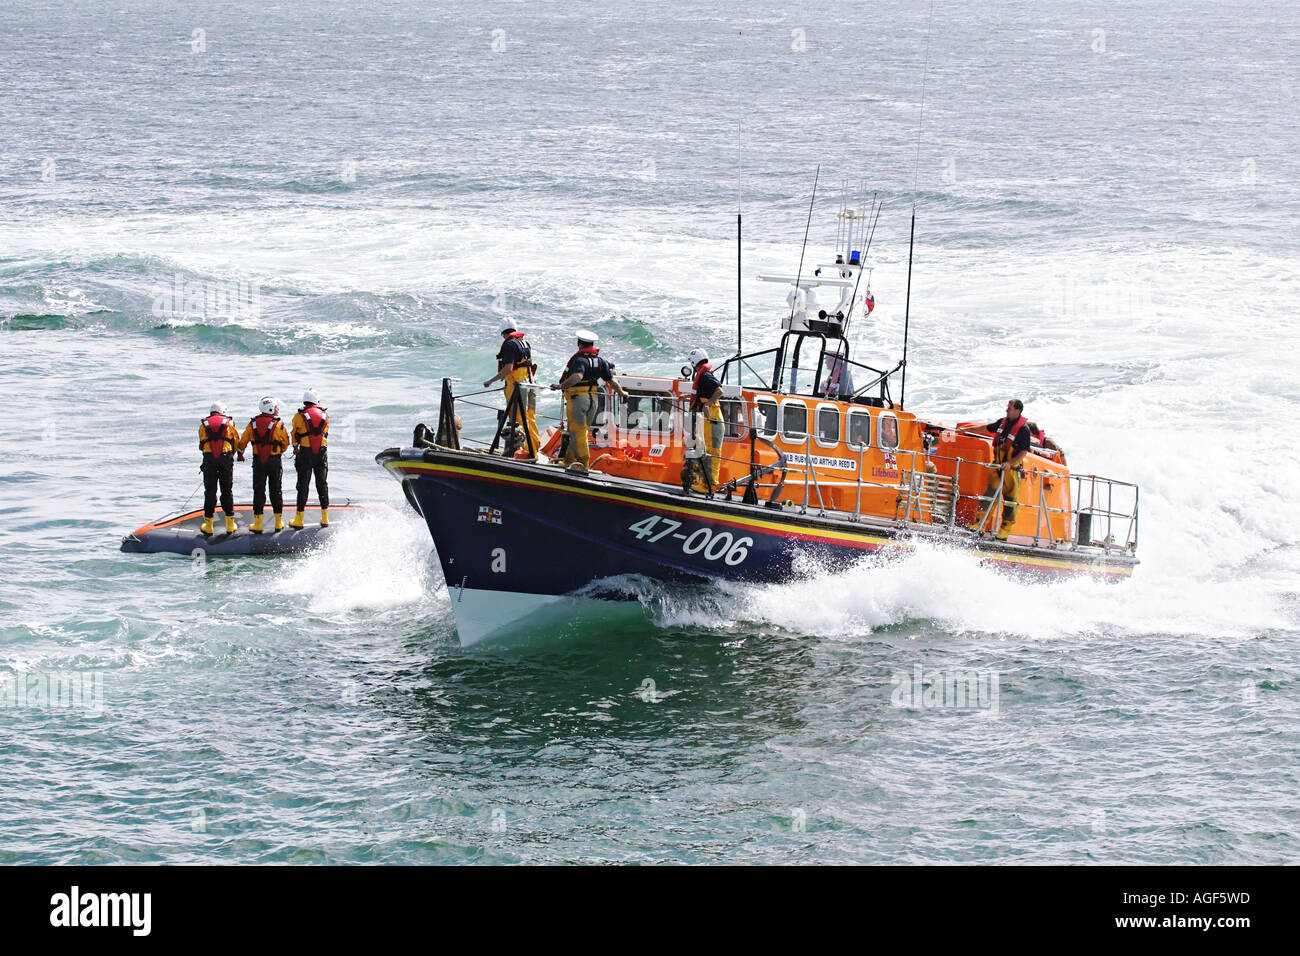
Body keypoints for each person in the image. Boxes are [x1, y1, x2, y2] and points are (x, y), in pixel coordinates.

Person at [552, 330, 627, 473]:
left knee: (577, 432)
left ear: (579, 344)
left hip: (578, 399)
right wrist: (622, 393)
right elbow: (612, 380)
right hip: (593, 399)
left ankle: (582, 464)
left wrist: (561, 386)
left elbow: (577, 377)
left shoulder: (579, 360)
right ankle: (569, 461)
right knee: (579, 432)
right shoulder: (601, 361)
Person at [483, 317, 540, 459]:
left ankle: (529, 452)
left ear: (503, 333)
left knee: (520, 419)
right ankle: (535, 448)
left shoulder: (509, 345)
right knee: (530, 417)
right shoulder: (525, 343)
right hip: (530, 384)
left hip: (518, 388)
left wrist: (490, 381)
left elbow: (508, 368)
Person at [979, 399, 1032, 540]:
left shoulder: (1023, 430)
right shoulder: (1002, 423)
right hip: (997, 467)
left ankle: (1005, 530)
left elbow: (1023, 452)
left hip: (1011, 471)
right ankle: (979, 524)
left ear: (1018, 411)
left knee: (1010, 501)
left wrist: (1010, 463)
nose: (1006, 410)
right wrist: (965, 430)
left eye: (1009, 408)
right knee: (988, 495)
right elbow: (987, 428)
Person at [237, 396, 290, 533]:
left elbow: (243, 442)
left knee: (259, 491)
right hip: (274, 461)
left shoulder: (252, 424)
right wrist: (279, 451)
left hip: (258, 461)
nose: (277, 409)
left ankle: (258, 524)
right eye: (276, 407)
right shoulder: (279, 424)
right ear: (271, 408)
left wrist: (240, 453)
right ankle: (278, 523)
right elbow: (285, 443)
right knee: (276, 490)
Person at [289, 388, 329, 528]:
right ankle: (325, 518)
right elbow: (325, 433)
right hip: (321, 453)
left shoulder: (298, 416)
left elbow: (294, 434)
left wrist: (295, 447)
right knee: (322, 484)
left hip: (305, 453)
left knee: (303, 486)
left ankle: (299, 520)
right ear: (316, 401)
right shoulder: (324, 415)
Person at [198, 401, 240, 535]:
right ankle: (230, 524)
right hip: (225, 458)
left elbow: (201, 444)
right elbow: (236, 440)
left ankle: (209, 526)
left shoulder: (203, 424)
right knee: (227, 490)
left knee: (210, 491)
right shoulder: (230, 423)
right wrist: (231, 455)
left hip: (209, 459)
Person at [687, 347, 724, 493]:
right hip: (709, 420)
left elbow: (719, 390)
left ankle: (710, 486)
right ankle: (704, 483)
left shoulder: (705, 376)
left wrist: (707, 405)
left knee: (712, 453)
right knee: (705, 451)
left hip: (713, 420)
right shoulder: (703, 376)